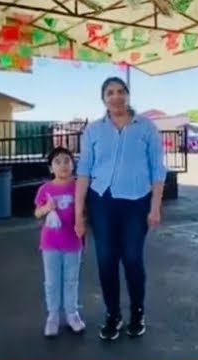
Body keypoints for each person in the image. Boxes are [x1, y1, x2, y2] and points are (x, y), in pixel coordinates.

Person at [74, 77, 169, 342]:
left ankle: (137, 312)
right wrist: (79, 213)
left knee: (132, 258)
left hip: (137, 203)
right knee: (106, 260)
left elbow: (157, 170)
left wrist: (155, 207)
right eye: (109, 93)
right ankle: (112, 314)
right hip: (102, 201)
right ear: (103, 98)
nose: (115, 97)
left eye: (120, 92)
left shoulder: (146, 128)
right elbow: (83, 172)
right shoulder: (93, 131)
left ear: (127, 95)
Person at [34, 146, 86, 337]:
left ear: (73, 164)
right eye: (57, 162)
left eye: (67, 160)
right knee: (52, 282)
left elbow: (85, 211)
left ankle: (72, 314)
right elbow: (37, 213)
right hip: (50, 243)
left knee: (71, 281)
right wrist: (47, 207)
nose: (63, 165)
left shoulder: (79, 186)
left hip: (73, 242)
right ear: (51, 168)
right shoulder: (45, 189)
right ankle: (53, 316)